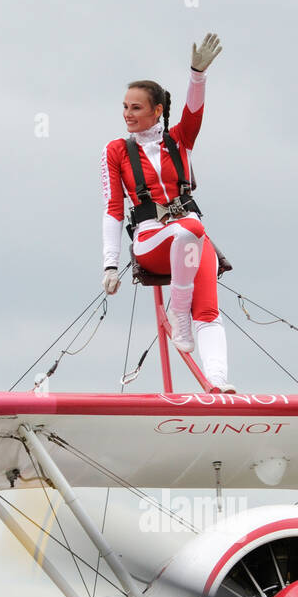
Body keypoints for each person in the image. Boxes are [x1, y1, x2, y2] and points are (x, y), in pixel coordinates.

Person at [100, 33, 236, 393]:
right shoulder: (116, 151)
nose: (127, 114)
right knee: (190, 227)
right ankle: (178, 312)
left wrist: (198, 74)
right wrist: (110, 264)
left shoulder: (180, 139)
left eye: (136, 108)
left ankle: (218, 383)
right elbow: (114, 209)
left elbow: (194, 111)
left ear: (157, 111)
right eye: (125, 107)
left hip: (190, 238)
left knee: (207, 311)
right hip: (150, 241)